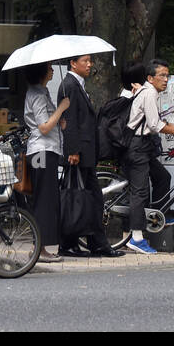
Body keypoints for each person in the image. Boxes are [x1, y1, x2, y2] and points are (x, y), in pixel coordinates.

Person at [57, 54, 123, 258]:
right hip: (79, 154)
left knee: (86, 199)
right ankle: (80, 243)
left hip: (85, 153)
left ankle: (89, 243)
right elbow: (68, 120)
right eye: (85, 61)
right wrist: (73, 150)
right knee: (81, 198)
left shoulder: (78, 85)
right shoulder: (69, 85)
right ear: (73, 63)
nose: (89, 64)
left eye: (90, 61)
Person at [124, 59, 174, 255]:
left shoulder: (150, 93)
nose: (166, 80)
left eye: (167, 76)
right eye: (162, 75)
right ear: (150, 78)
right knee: (140, 191)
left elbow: (155, 122)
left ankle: (156, 216)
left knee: (163, 177)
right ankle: (136, 238)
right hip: (136, 147)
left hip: (142, 146)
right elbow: (154, 125)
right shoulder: (149, 93)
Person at [23, 61, 68, 263]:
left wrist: (58, 118)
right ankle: (39, 248)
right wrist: (61, 108)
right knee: (44, 198)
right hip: (42, 151)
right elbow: (43, 127)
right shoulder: (39, 95)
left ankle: (40, 246)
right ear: (41, 72)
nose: (52, 70)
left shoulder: (40, 92)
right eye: (49, 68)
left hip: (43, 151)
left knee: (44, 197)